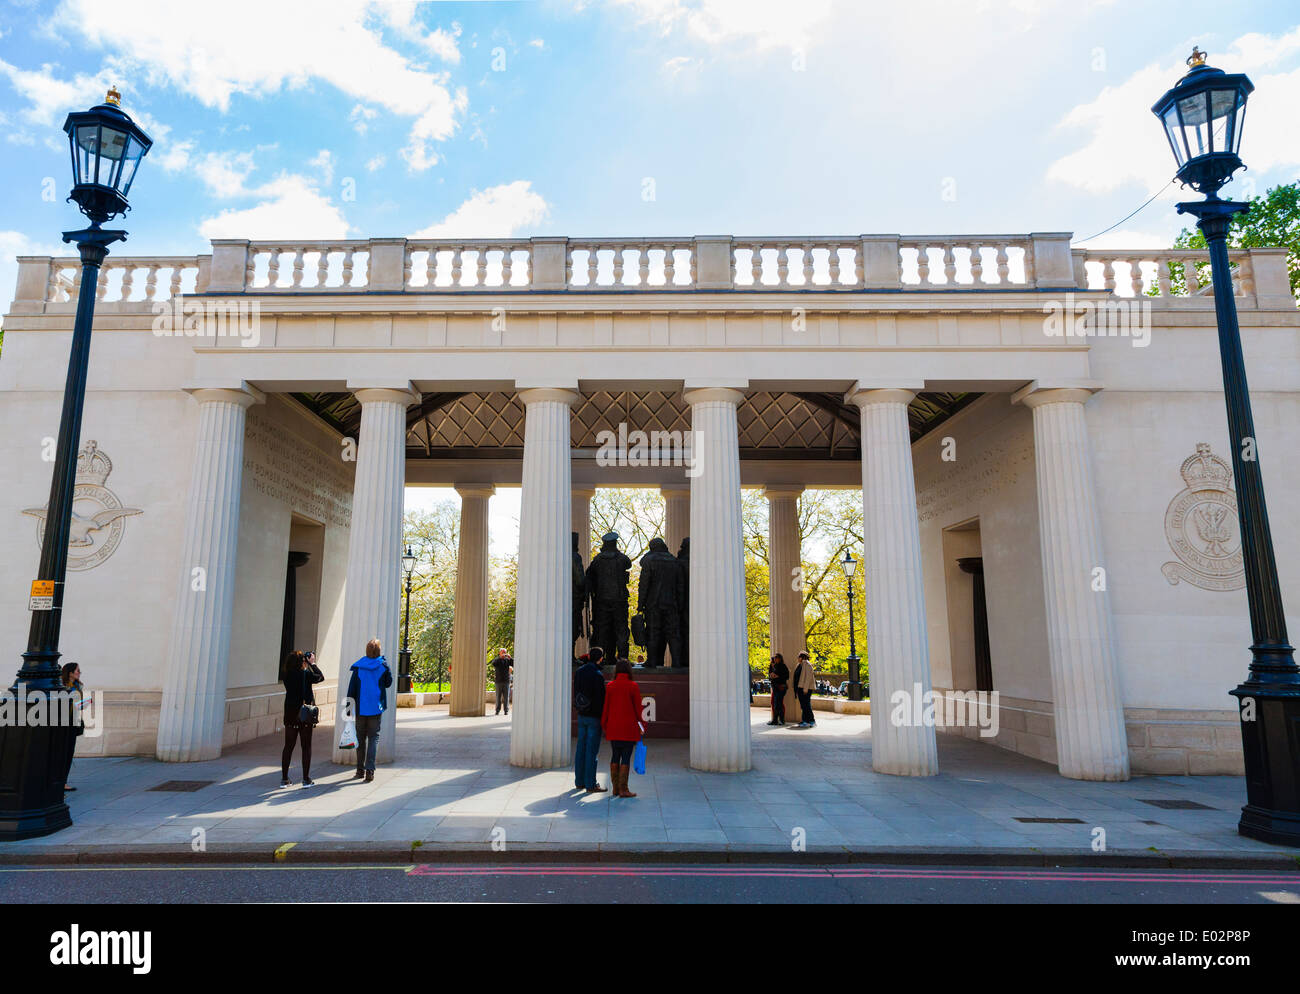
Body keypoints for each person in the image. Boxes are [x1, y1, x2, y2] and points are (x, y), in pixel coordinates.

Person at [346, 638, 393, 783]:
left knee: (360, 739)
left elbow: (351, 688)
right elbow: (388, 683)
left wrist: (348, 708)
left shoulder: (359, 666)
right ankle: (370, 770)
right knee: (373, 738)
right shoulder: (382, 666)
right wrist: (385, 664)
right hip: (376, 707)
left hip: (361, 708)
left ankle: (359, 769)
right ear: (379, 651)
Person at [601, 658, 643, 798]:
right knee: (625, 757)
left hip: (614, 727)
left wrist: (604, 724)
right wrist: (642, 725)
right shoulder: (633, 686)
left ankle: (615, 788)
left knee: (615, 755)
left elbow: (605, 708)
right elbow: (638, 710)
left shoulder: (610, 686)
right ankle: (624, 789)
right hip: (629, 728)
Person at [281, 649, 324, 786]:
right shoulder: (305, 674)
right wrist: (312, 663)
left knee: (288, 746)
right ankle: (306, 779)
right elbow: (320, 677)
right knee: (306, 746)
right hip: (304, 714)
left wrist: (305, 663)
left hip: (290, 713)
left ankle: (284, 779)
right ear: (302, 662)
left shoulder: (286, 675)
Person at [573, 646, 608, 793]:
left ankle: (579, 781)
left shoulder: (579, 672)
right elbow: (601, 699)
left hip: (582, 714)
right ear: (600, 658)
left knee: (581, 748)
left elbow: (576, 692)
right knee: (592, 751)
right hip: (594, 717)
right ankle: (591, 784)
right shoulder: (598, 675)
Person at [59, 662, 84, 792]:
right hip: (63, 723)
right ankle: (59, 782)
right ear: (70, 673)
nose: (79, 673)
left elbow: (77, 704)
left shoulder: (77, 686)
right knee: (62, 753)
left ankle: (63, 781)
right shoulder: (62, 686)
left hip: (73, 722)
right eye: (77, 671)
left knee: (69, 752)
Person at [792, 651, 816, 728]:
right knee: (804, 705)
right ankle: (805, 720)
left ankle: (812, 721)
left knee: (806, 705)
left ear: (802, 657)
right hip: (800, 688)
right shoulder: (800, 665)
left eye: (798, 657)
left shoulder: (807, 665)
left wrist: (805, 689)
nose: (797, 658)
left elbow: (808, 678)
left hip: (805, 689)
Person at [767, 653, 790, 726]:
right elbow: (769, 676)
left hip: (781, 687)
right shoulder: (773, 666)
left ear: (780, 658)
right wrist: (771, 674)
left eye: (776, 658)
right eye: (774, 658)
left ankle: (781, 720)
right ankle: (775, 720)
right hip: (775, 688)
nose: (775, 659)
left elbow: (786, 676)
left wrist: (777, 676)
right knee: (775, 704)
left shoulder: (783, 666)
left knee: (779, 704)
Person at [493, 648, 513, 715]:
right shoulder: (497, 660)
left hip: (506, 681)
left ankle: (506, 710)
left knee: (506, 697)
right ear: (500, 653)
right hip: (498, 681)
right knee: (498, 697)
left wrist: (510, 658)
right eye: (502, 652)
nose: (504, 653)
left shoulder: (508, 660)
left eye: (505, 652)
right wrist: (500, 658)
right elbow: (493, 664)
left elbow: (514, 664)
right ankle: (497, 710)